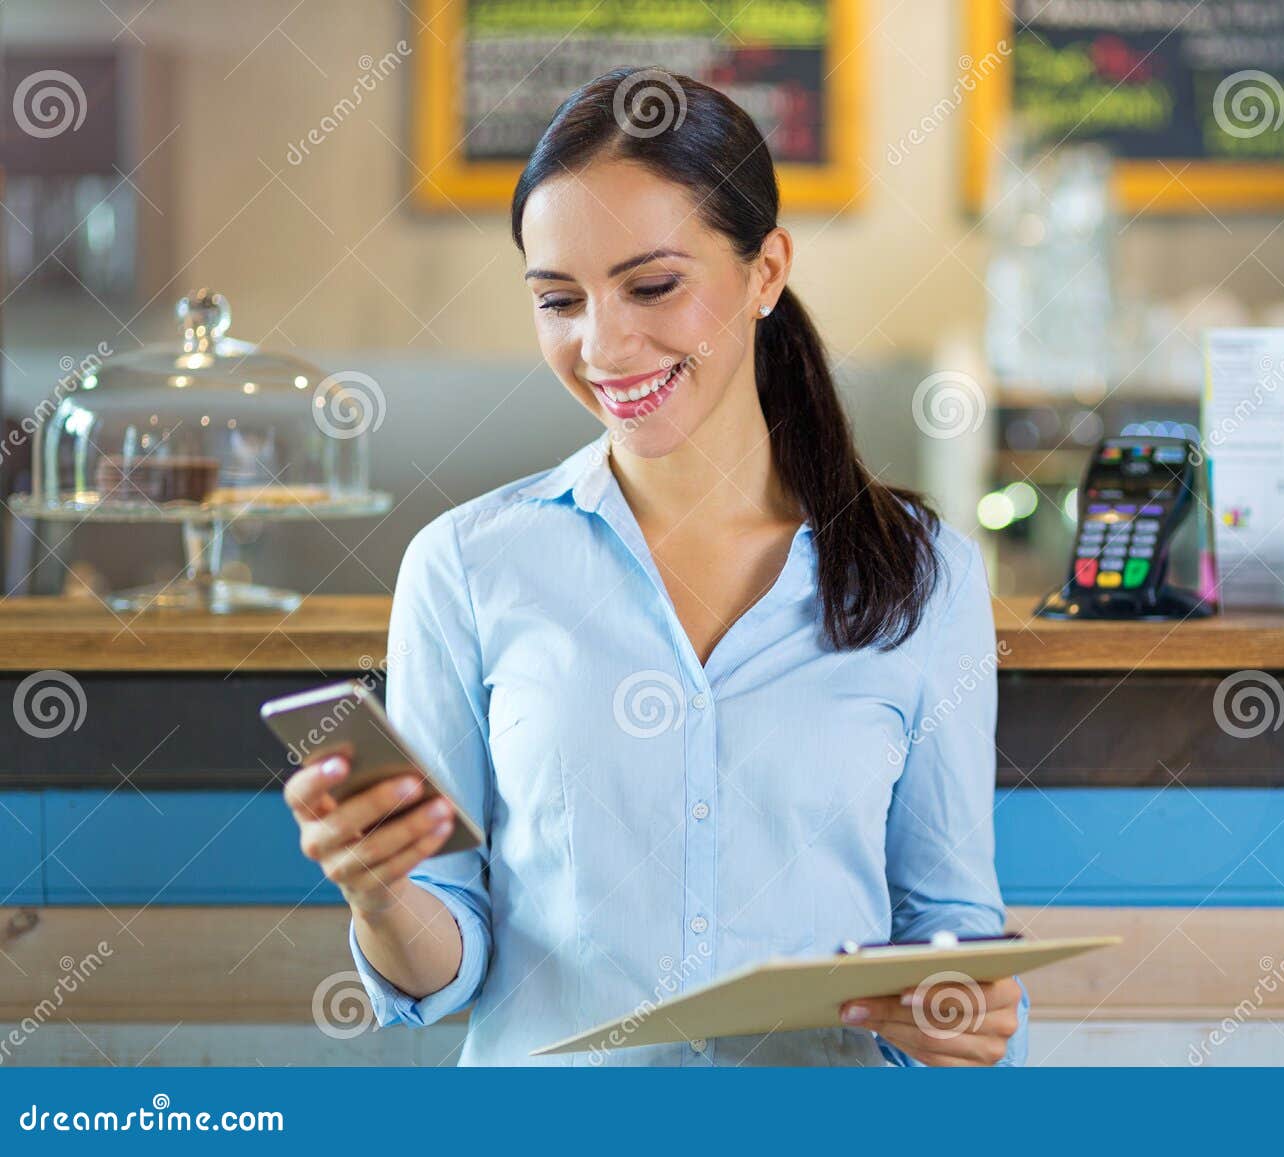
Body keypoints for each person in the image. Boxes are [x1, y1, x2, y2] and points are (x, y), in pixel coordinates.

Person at [281, 66, 1025, 1066]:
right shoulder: (465, 566)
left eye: (652, 285)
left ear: (765, 271)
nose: (603, 344)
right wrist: (379, 892)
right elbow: (444, 966)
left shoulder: (924, 575)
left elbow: (952, 929)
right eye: (559, 299)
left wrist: (966, 1016)